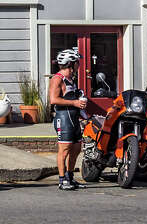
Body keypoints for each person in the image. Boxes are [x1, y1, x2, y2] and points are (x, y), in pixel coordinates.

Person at [49, 47, 88, 191]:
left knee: (77, 148)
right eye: (77, 62)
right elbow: (53, 100)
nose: (79, 65)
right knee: (64, 150)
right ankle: (62, 180)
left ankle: (70, 177)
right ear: (70, 63)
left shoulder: (71, 79)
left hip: (74, 117)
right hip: (63, 118)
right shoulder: (57, 79)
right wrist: (74, 103)